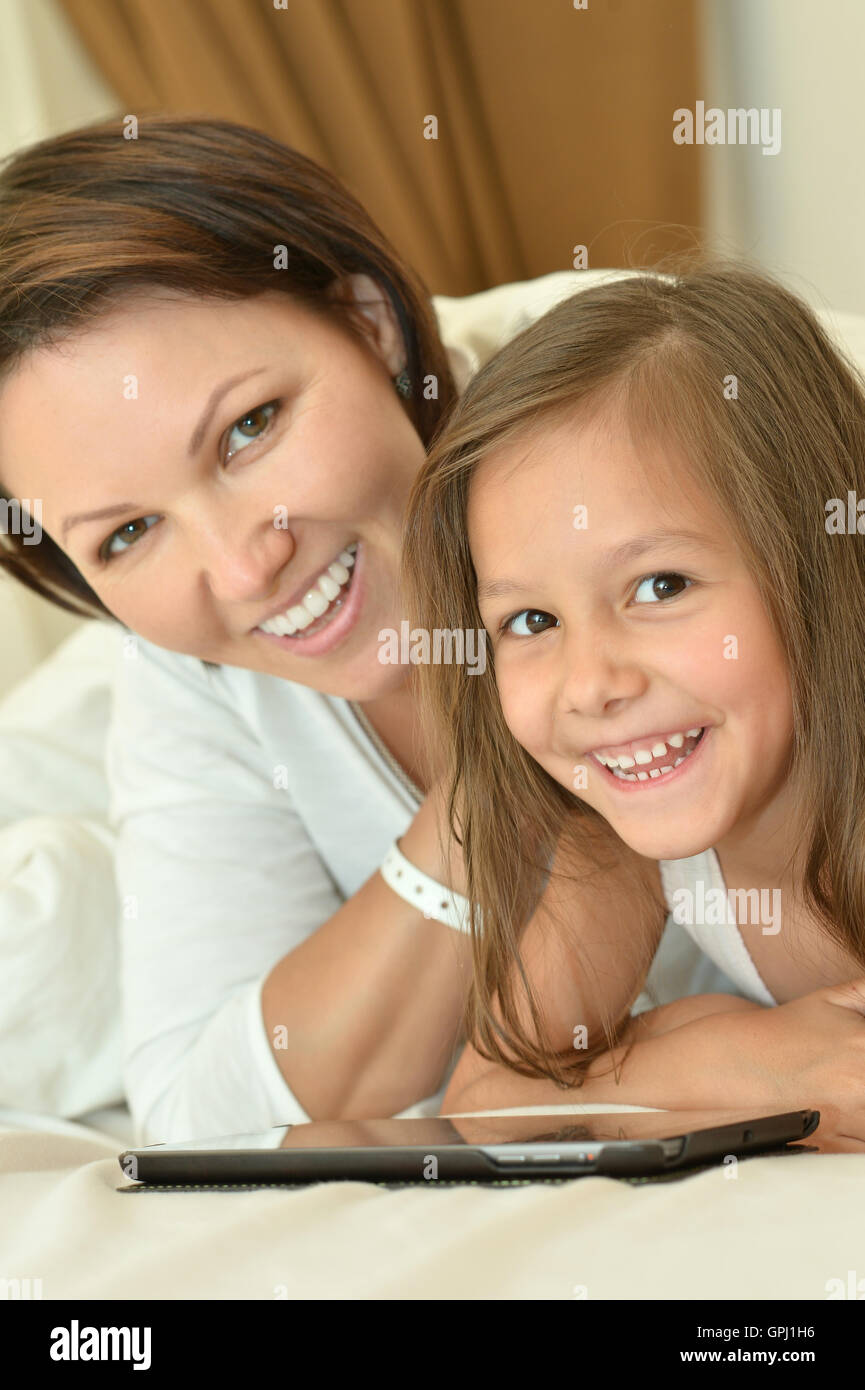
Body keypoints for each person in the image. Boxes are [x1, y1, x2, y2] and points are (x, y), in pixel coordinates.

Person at [0, 115, 792, 1143]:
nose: (245, 564)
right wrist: (489, 802)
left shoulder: (652, 390)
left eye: (251, 427)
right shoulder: (185, 664)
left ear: (368, 321)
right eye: (129, 533)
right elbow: (202, 1118)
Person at [402, 261, 865, 1132]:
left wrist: (663, 1055)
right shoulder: (624, 838)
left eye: (659, 587)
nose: (591, 685)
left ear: (821, 565)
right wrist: (730, 1057)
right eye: (531, 619)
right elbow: (484, 1101)